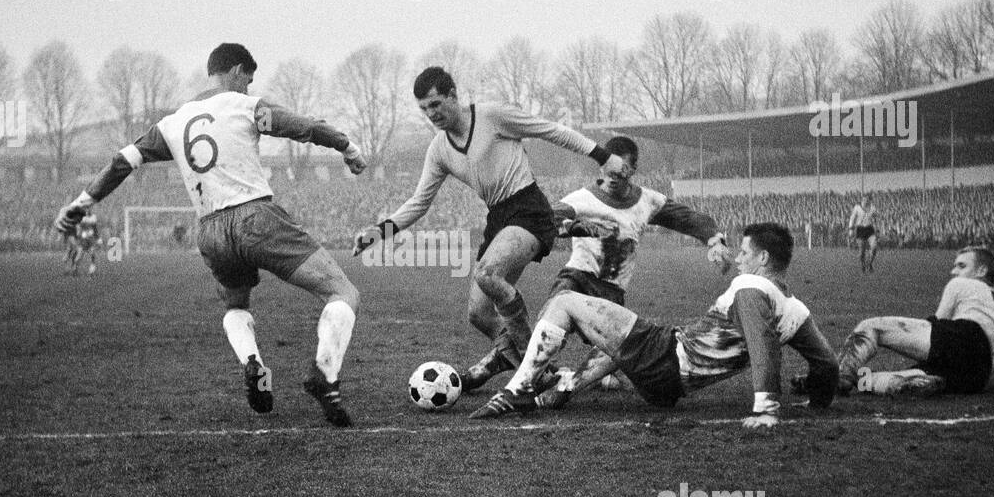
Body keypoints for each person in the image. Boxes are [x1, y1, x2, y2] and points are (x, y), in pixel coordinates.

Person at [55, 43, 367, 426]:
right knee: (342, 291)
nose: (249, 88)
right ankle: (325, 375)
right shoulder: (243, 106)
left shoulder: (172, 124)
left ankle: (254, 364)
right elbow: (303, 127)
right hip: (257, 218)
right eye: (248, 80)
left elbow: (123, 162)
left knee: (236, 306)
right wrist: (347, 147)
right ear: (236, 71)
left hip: (211, 233)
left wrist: (82, 202)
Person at [352, 66, 629, 391]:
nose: (431, 114)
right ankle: (531, 368)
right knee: (480, 313)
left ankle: (533, 365)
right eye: (424, 109)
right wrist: (377, 232)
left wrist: (604, 157)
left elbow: (550, 130)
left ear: (453, 95)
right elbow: (419, 201)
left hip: (529, 210)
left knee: (487, 274)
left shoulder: (492, 116)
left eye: (436, 104)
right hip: (498, 219)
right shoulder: (439, 150)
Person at [470, 222, 839, 428]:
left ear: (762, 257)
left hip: (666, 358)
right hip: (671, 387)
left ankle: (518, 390)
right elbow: (827, 363)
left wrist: (767, 408)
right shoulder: (794, 310)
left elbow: (761, 345)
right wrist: (818, 401)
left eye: (743, 252)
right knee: (618, 341)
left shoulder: (750, 286)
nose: (738, 259)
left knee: (564, 302)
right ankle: (562, 388)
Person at [543, 134, 732, 407]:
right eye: (608, 168)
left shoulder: (646, 201)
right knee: (547, 330)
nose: (613, 175)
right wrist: (571, 226)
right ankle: (525, 383)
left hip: (612, 291)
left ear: (632, 170)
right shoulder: (581, 199)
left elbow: (688, 217)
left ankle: (569, 386)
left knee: (613, 350)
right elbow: (547, 219)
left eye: (621, 170)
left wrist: (714, 239)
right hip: (577, 278)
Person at [829, 245, 994, 396]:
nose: (953, 272)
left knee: (871, 327)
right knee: (881, 380)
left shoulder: (962, 284)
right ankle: (917, 380)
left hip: (963, 337)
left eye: (961, 265)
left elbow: (938, 323)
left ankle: (837, 379)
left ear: (980, 270)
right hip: (978, 375)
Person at [847, 193, 879, 273]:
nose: (865, 201)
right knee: (862, 251)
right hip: (860, 230)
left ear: (869, 200)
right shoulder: (857, 208)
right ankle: (863, 265)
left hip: (870, 229)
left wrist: (877, 228)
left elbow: (876, 219)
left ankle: (870, 264)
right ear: (862, 200)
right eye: (864, 199)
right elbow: (852, 218)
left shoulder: (872, 208)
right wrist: (851, 229)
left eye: (867, 199)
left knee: (874, 247)